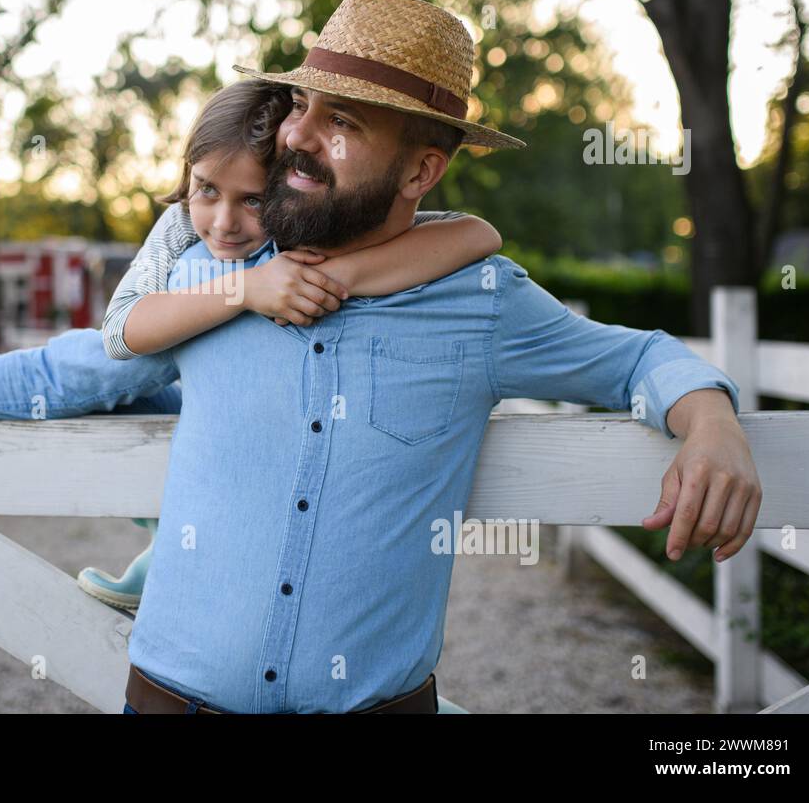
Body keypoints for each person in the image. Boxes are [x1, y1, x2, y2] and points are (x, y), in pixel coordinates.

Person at [0, 0, 761, 715]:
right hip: (169, 701)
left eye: (343, 123)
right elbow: (52, 373)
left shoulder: (480, 301)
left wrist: (708, 415)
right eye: (301, 106)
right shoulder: (220, 277)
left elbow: (634, 359)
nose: (298, 133)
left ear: (422, 168)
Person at [77, 77, 503, 610]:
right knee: (96, 387)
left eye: (253, 199)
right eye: (206, 188)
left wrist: (342, 271)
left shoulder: (304, 224)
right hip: (186, 395)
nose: (224, 223)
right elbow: (118, 334)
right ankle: (164, 549)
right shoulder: (181, 223)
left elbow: (478, 234)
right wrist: (246, 287)